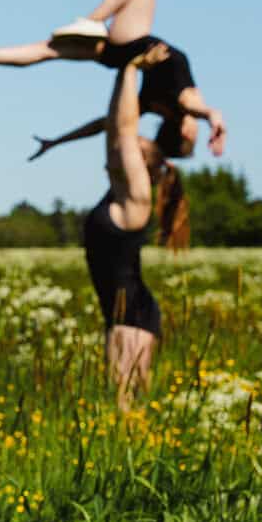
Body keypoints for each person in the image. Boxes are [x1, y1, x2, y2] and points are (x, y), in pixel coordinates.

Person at [0, 0, 227, 161]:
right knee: (49, 50)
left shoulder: (186, 102)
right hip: (116, 57)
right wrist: (57, 142)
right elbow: (101, 125)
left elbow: (205, 111)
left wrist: (215, 120)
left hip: (129, 42)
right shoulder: (151, 105)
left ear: (185, 132)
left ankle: (93, 21)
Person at [84, 42, 185, 411]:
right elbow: (117, 128)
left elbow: (122, 131)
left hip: (132, 318)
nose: (117, 153)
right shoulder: (123, 194)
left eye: (130, 151)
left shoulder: (136, 196)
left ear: (141, 164)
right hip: (128, 316)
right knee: (128, 407)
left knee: (124, 408)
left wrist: (130, 69)